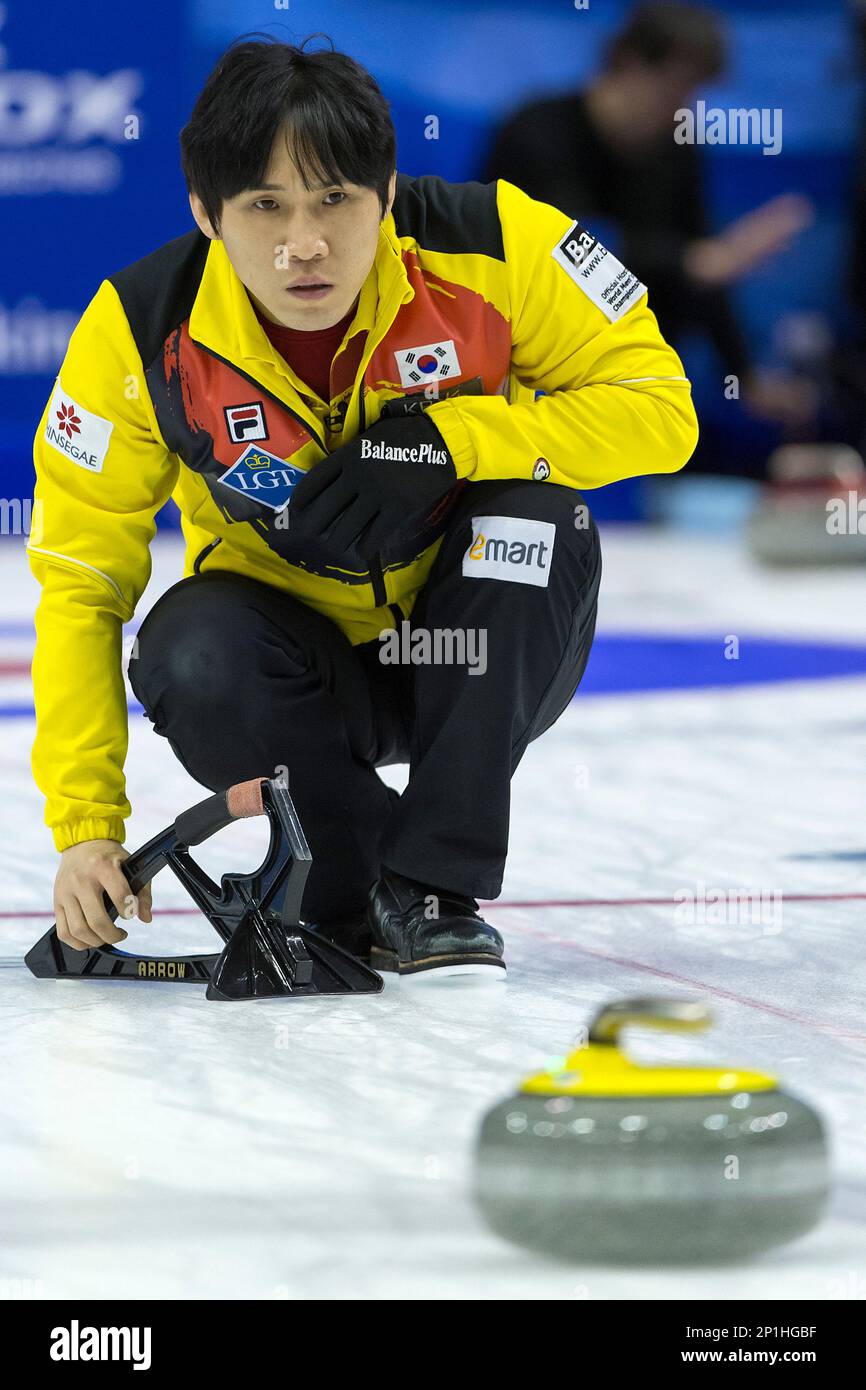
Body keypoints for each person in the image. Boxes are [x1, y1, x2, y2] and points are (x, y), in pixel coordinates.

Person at [29, 35, 697, 980]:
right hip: (296, 674)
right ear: (205, 214)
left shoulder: (501, 242)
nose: (305, 243)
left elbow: (662, 412)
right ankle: (353, 875)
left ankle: (433, 887)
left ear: (386, 194)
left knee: (536, 523)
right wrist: (87, 828)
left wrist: (451, 441)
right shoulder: (139, 332)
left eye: (336, 200)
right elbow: (80, 582)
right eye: (265, 206)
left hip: (478, 647)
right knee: (190, 647)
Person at [482, 1, 815, 440]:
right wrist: (693, 261)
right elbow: (564, 250)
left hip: (633, 388)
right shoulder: (535, 133)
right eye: (675, 89)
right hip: (525, 377)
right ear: (628, 61)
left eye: (695, 94)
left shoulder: (678, 152)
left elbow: (706, 267)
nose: (684, 108)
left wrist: (745, 377)